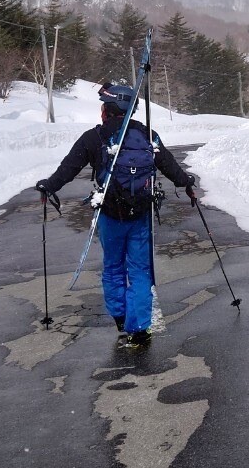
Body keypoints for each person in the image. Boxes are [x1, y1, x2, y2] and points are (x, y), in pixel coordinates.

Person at [36, 82, 196, 347]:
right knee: (141, 270)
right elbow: (170, 166)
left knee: (113, 267)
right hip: (141, 215)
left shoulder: (93, 137)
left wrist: (48, 186)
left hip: (110, 214)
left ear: (108, 109)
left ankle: (121, 317)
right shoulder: (147, 135)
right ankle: (139, 327)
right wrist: (187, 183)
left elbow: (68, 169)